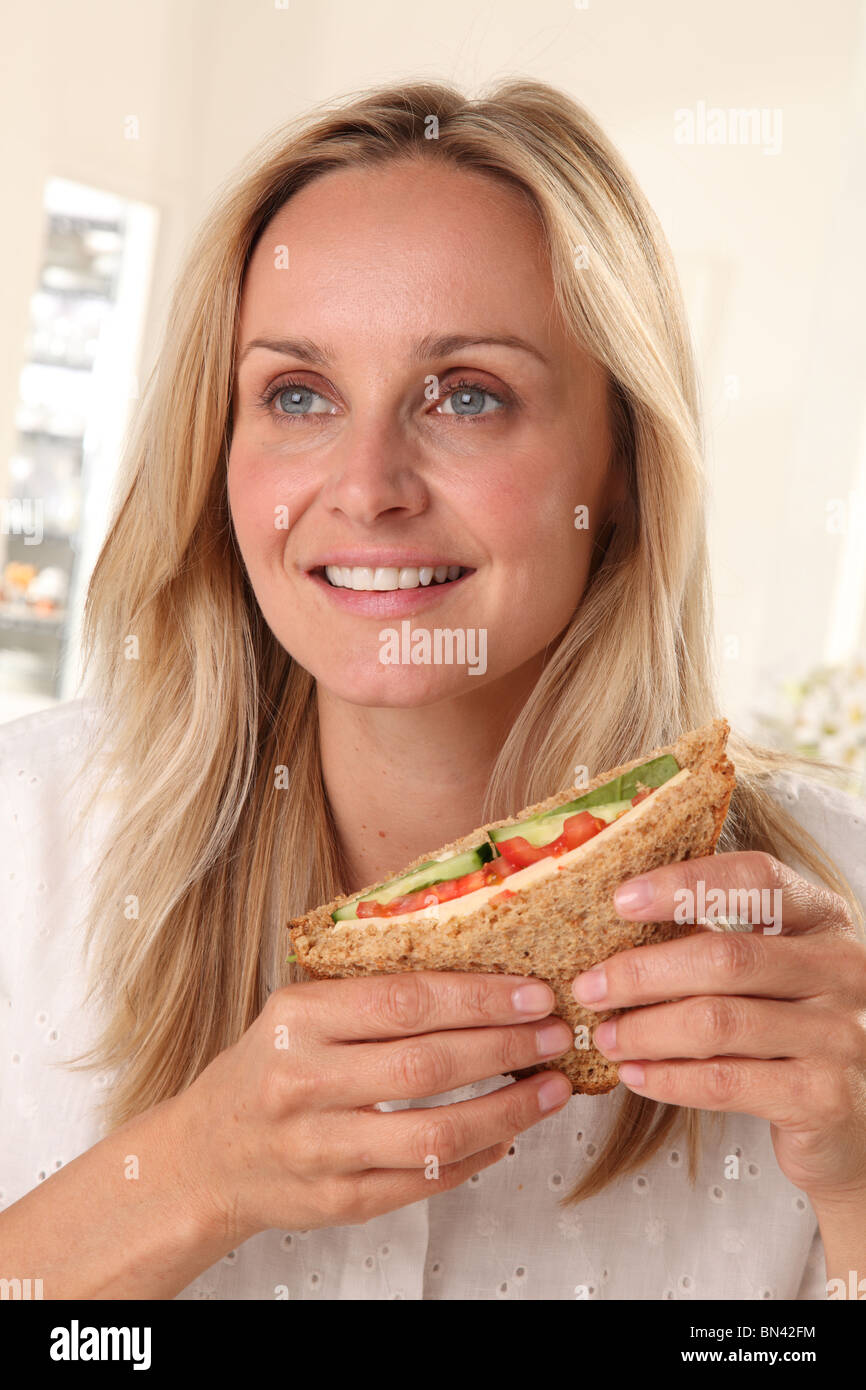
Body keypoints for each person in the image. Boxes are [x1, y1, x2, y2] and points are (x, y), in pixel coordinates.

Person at [1, 78, 864, 1302]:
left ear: (619, 464)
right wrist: (189, 1174)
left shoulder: (831, 920)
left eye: (466, 395)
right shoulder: (21, 841)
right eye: (297, 395)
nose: (366, 485)